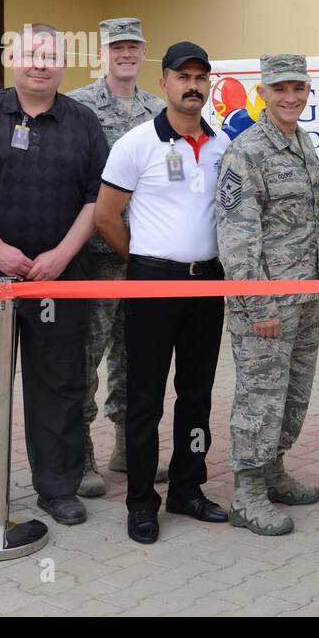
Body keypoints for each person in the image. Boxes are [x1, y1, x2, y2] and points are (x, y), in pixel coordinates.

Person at [0, 23, 108, 529]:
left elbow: (99, 197)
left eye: (50, 55)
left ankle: (57, 487)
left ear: (64, 64)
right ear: (12, 59)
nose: (40, 62)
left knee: (58, 383)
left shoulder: (83, 122)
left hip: (59, 277)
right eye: (31, 53)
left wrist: (61, 255)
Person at [93, 41, 232, 544]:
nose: (193, 85)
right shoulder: (136, 144)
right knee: (145, 397)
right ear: (165, 83)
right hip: (152, 282)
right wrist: (144, 260)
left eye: (201, 77)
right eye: (183, 76)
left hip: (207, 282)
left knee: (196, 394)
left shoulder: (222, 148)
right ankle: (141, 503)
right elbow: (105, 216)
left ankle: (188, 489)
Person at [216, 54, 319, 536]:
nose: (290, 97)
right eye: (279, 89)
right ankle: (247, 492)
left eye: (298, 88)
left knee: (294, 394)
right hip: (265, 305)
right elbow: (238, 237)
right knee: (260, 396)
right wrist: (258, 304)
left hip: (305, 297)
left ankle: (275, 469)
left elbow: (314, 219)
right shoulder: (246, 153)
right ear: (262, 93)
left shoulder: (302, 142)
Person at [66, 16, 166, 497]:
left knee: (136, 356)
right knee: (87, 355)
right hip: (98, 257)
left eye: (134, 46)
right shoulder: (80, 107)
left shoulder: (156, 108)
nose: (126, 54)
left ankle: (128, 446)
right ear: (103, 52)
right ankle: (79, 452)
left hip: (144, 258)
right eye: (117, 47)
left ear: (144, 51)